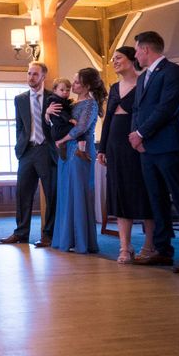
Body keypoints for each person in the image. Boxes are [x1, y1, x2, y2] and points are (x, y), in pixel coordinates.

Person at [129, 30, 179, 270]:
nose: (136, 55)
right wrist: (135, 136)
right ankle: (163, 249)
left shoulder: (173, 72)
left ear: (146, 49)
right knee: (156, 200)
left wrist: (141, 133)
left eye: (137, 50)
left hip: (169, 145)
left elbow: (167, 108)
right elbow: (137, 110)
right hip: (147, 149)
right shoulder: (143, 77)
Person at [97, 47, 155, 265]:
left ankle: (149, 245)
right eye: (113, 59)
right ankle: (125, 246)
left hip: (138, 142)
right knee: (119, 192)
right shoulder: (114, 87)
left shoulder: (145, 83)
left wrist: (142, 137)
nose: (114, 61)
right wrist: (102, 148)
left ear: (132, 60)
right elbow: (108, 120)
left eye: (118, 58)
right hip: (115, 143)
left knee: (144, 191)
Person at [0, 62, 58, 247]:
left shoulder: (53, 98)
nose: (31, 77)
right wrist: (19, 147)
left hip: (46, 150)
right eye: (29, 73)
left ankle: (48, 235)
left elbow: (59, 125)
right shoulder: (20, 99)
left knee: (51, 194)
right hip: (27, 151)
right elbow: (19, 126)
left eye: (35, 74)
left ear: (43, 77)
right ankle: (21, 233)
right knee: (23, 194)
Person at [51, 68, 104, 254]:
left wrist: (62, 140)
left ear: (87, 86)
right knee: (66, 192)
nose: (72, 85)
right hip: (66, 152)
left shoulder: (90, 104)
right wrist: (48, 113)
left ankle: (81, 240)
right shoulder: (72, 104)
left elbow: (81, 128)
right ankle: (67, 238)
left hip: (80, 152)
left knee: (78, 193)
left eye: (76, 82)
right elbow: (59, 121)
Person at [46, 77, 76, 160]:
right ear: (55, 90)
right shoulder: (53, 99)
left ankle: (63, 147)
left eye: (68, 90)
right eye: (62, 90)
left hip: (60, 128)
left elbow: (66, 106)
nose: (65, 92)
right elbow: (60, 111)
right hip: (58, 129)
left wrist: (71, 102)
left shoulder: (63, 100)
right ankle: (80, 147)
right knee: (77, 128)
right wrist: (70, 119)